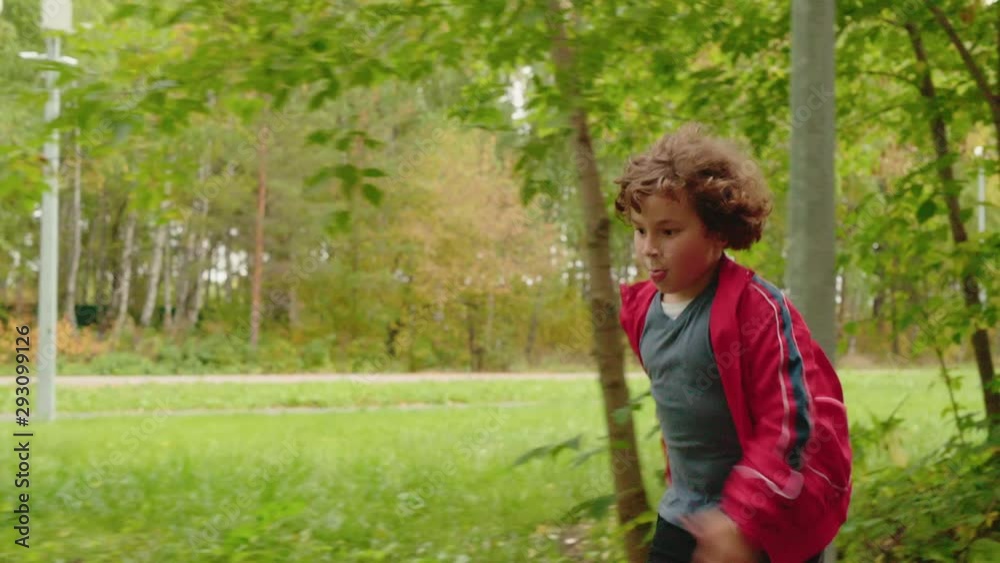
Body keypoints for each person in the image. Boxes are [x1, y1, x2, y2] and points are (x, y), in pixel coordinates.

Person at [615, 124, 852, 563]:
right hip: (685, 515)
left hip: (762, 521)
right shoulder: (641, 311)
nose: (649, 248)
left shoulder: (757, 310)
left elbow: (788, 424)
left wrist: (741, 520)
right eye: (640, 230)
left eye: (669, 232)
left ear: (718, 232)